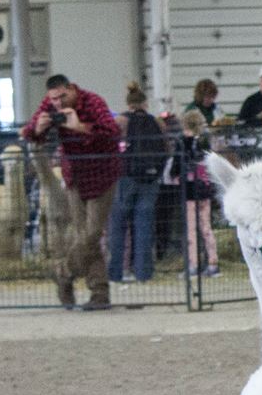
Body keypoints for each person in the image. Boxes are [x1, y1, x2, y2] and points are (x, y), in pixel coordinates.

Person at [20, 73, 121, 310]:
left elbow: (112, 132)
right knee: (84, 237)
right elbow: (28, 132)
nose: (58, 103)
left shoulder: (93, 102)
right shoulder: (50, 105)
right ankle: (99, 293)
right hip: (74, 177)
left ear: (72, 89)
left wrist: (80, 127)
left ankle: (63, 273)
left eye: (62, 97)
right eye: (53, 99)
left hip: (102, 175)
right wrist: (38, 128)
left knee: (92, 234)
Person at [107, 81, 168, 283]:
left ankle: (116, 273)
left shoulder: (120, 122)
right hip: (151, 179)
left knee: (118, 226)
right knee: (144, 226)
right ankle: (144, 273)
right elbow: (166, 149)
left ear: (128, 103)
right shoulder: (158, 123)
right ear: (145, 103)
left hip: (125, 176)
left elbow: (109, 145)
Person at [175, 107, 219, 276]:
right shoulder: (205, 141)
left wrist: (174, 173)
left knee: (191, 229)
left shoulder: (182, 141)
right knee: (206, 227)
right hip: (204, 189)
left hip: (189, 190)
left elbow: (176, 164)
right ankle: (213, 263)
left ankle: (193, 265)